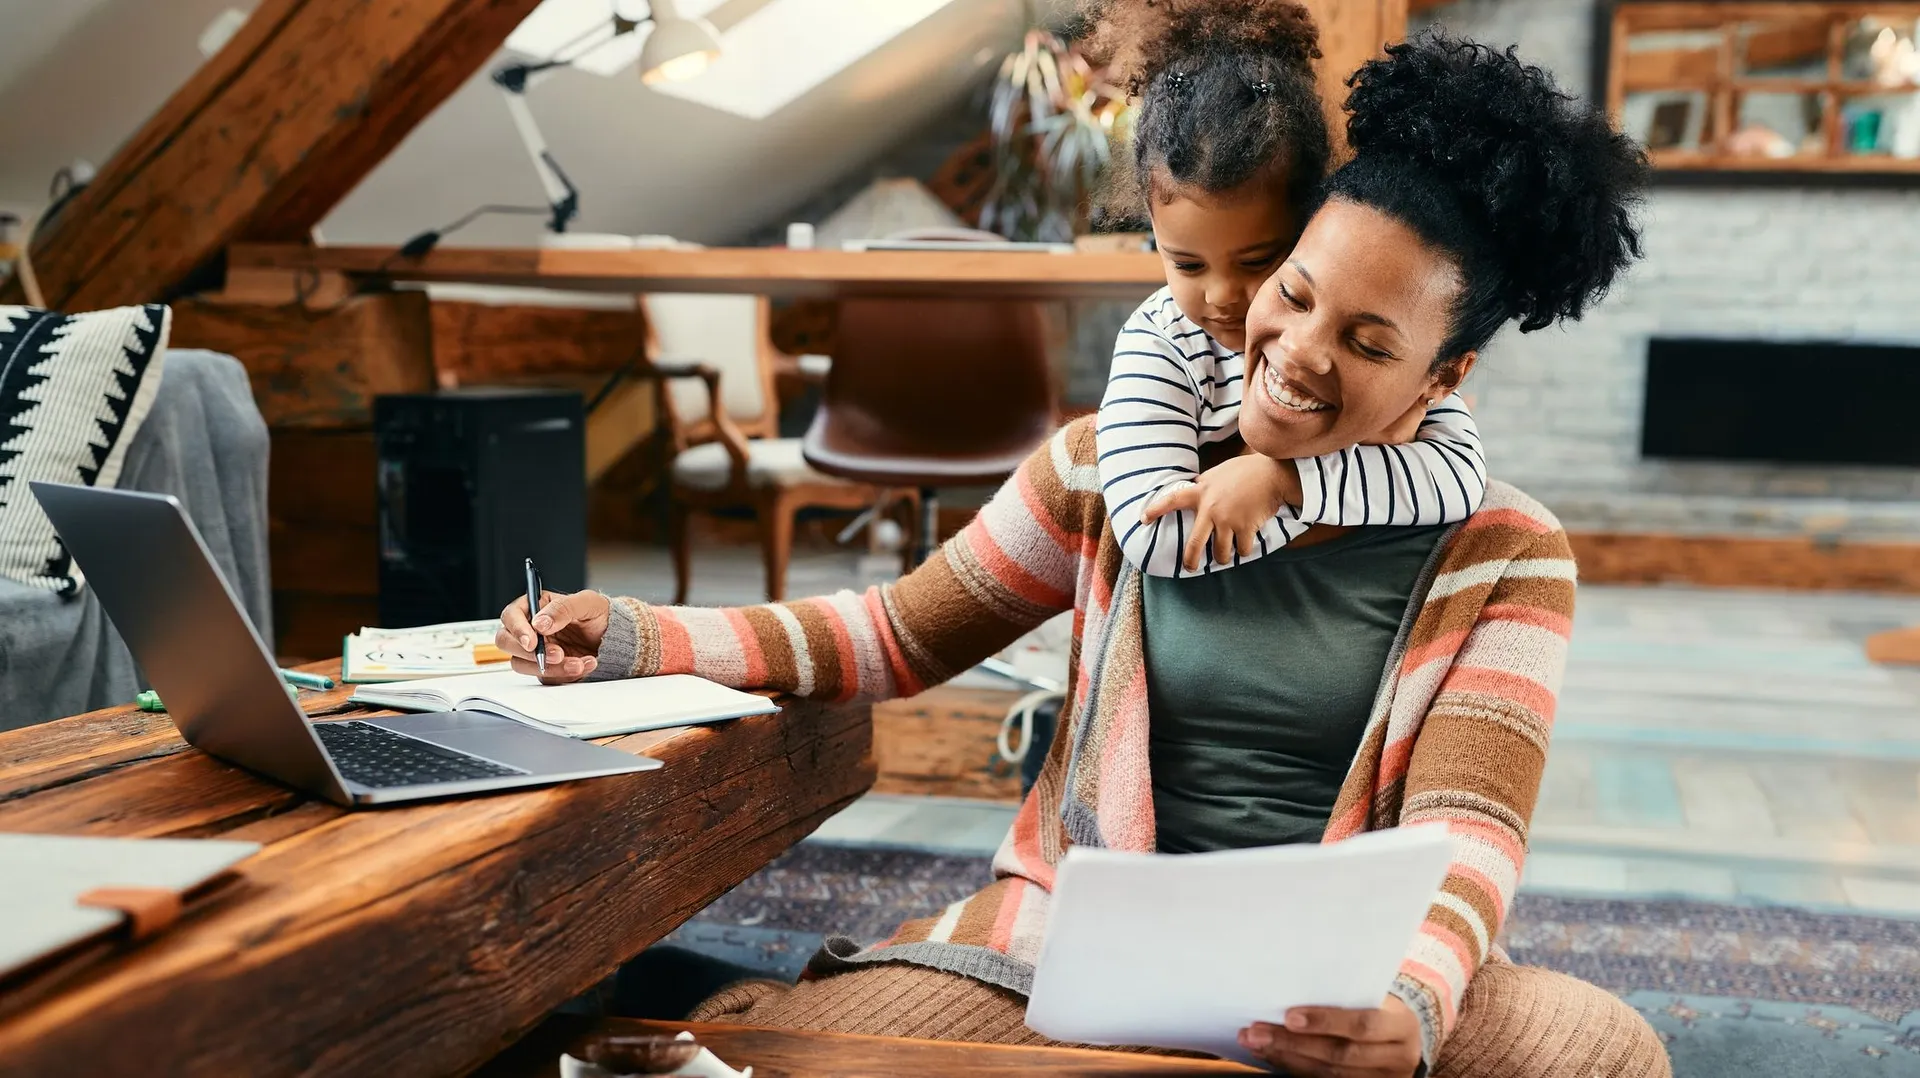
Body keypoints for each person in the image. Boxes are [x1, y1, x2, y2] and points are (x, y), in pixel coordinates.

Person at [499, 28, 1665, 1078]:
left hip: (1343, 979)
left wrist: (1411, 1004)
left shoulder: (1505, 551)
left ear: (1445, 373)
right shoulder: (1107, 470)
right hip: (1082, 957)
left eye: (1366, 339)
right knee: (789, 1055)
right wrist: (641, 634)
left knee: (1608, 1055)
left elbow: (1472, 833)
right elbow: (896, 633)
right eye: (1293, 291)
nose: (1294, 348)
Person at [1088, 0, 1487, 577]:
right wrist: (1337, 483)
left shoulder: (1403, 374)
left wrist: (1284, 481)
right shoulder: (1161, 347)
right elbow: (1158, 538)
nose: (1222, 294)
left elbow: (1456, 478)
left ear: (1311, 231)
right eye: (1187, 265)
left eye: (1259, 261)